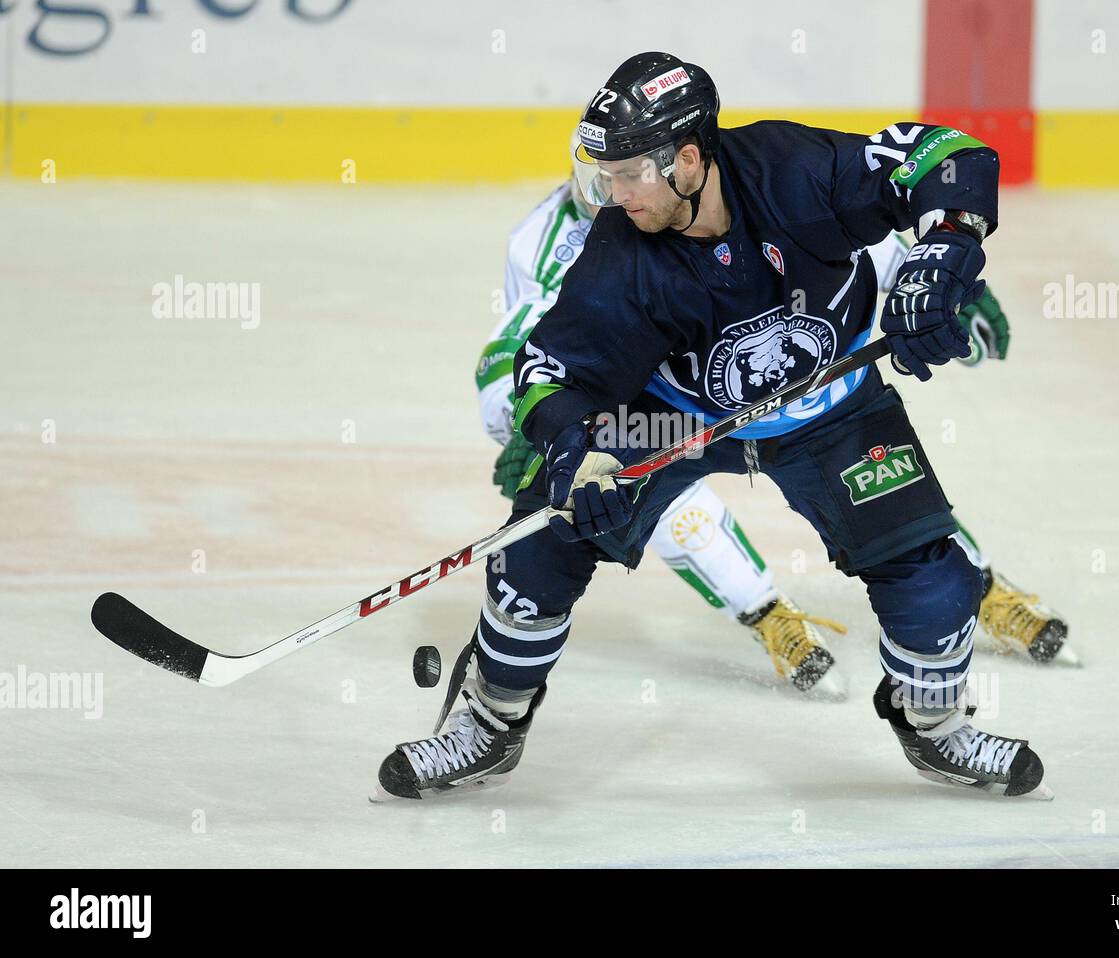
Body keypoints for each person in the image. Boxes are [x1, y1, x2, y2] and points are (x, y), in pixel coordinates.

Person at [375, 52, 1053, 802]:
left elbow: (943, 156)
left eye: (629, 171)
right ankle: (489, 721)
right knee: (543, 538)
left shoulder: (794, 169)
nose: (612, 190)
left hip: (833, 407)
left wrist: (944, 252)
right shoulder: (620, 251)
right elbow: (548, 371)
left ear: (689, 159)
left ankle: (934, 725)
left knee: (932, 577)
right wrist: (574, 452)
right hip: (673, 411)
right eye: (606, 172)